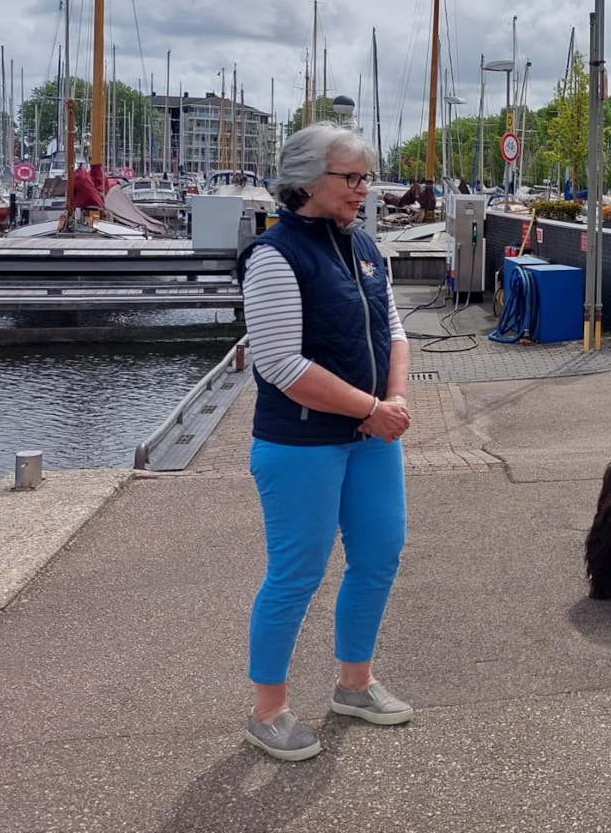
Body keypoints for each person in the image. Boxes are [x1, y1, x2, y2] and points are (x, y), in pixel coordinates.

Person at [236, 122, 414, 761]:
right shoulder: (275, 254)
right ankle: (269, 709)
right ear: (309, 180)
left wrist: (392, 404)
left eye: (366, 177)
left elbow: (393, 329)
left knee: (380, 552)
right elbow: (280, 363)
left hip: (371, 437)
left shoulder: (364, 247)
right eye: (352, 179)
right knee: (297, 571)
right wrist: (371, 408)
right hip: (303, 443)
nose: (363, 190)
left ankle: (354, 684)